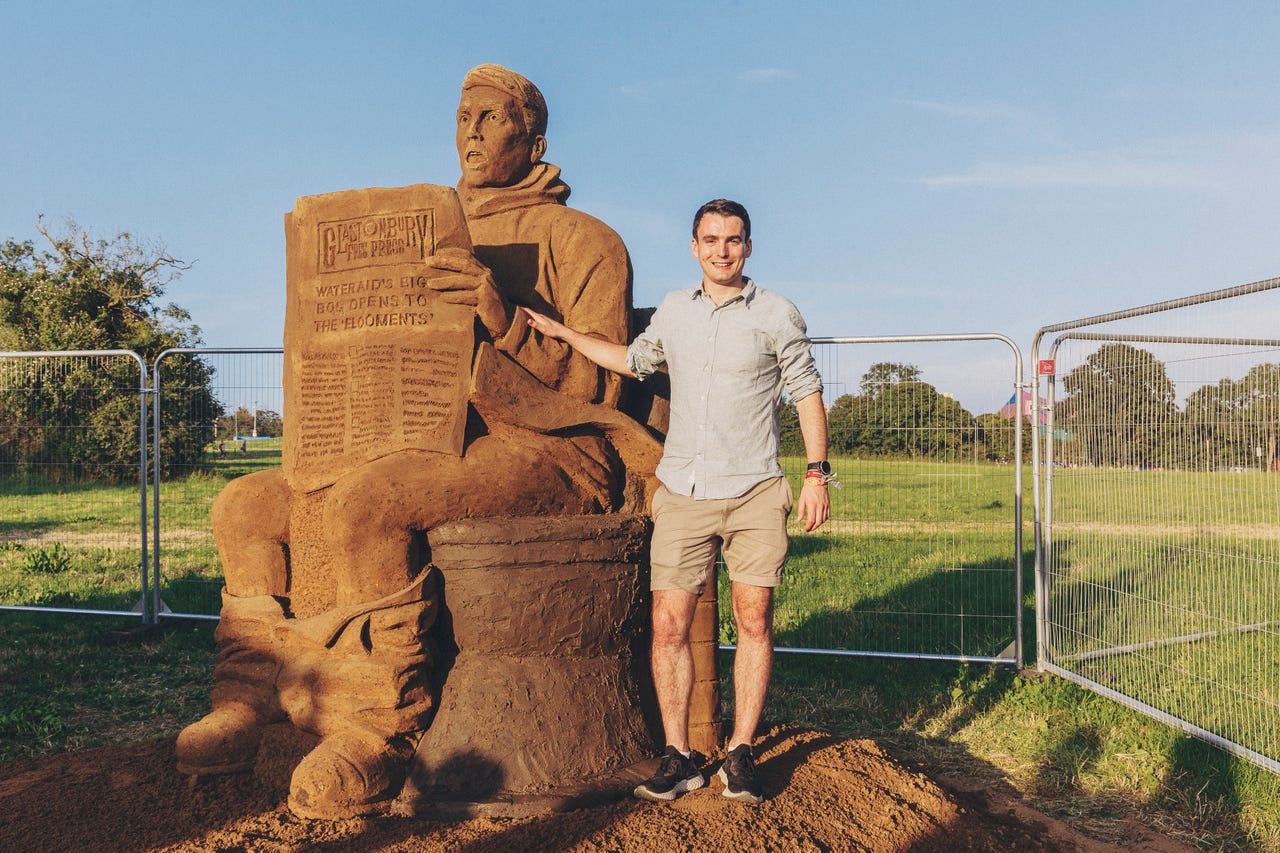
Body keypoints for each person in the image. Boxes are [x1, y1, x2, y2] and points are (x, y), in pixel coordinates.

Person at [176, 64, 644, 819]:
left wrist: (503, 320)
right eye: (465, 117)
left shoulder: (585, 240)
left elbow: (597, 389)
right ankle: (249, 691)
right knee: (246, 504)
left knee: (374, 502)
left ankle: (376, 728)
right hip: (413, 433)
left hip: (545, 448)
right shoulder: (429, 230)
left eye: (494, 118)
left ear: (536, 138)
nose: (474, 130)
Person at [523, 198, 831, 805]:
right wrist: (564, 334)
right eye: (711, 239)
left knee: (754, 620)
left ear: (748, 247)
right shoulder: (673, 313)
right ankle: (679, 757)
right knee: (668, 628)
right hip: (685, 492)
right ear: (694, 247)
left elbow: (807, 394)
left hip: (755, 492)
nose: (722, 249)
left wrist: (817, 474)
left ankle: (740, 753)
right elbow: (632, 362)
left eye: (733, 239)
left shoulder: (776, 313)